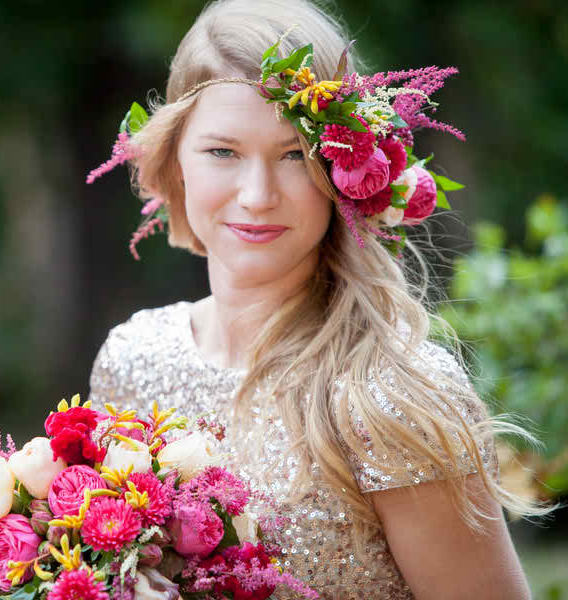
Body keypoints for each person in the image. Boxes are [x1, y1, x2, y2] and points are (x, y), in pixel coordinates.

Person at [86, 1, 547, 598]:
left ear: (343, 170)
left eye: (293, 157)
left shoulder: (391, 396)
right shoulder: (131, 360)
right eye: (223, 152)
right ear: (175, 164)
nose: (257, 196)